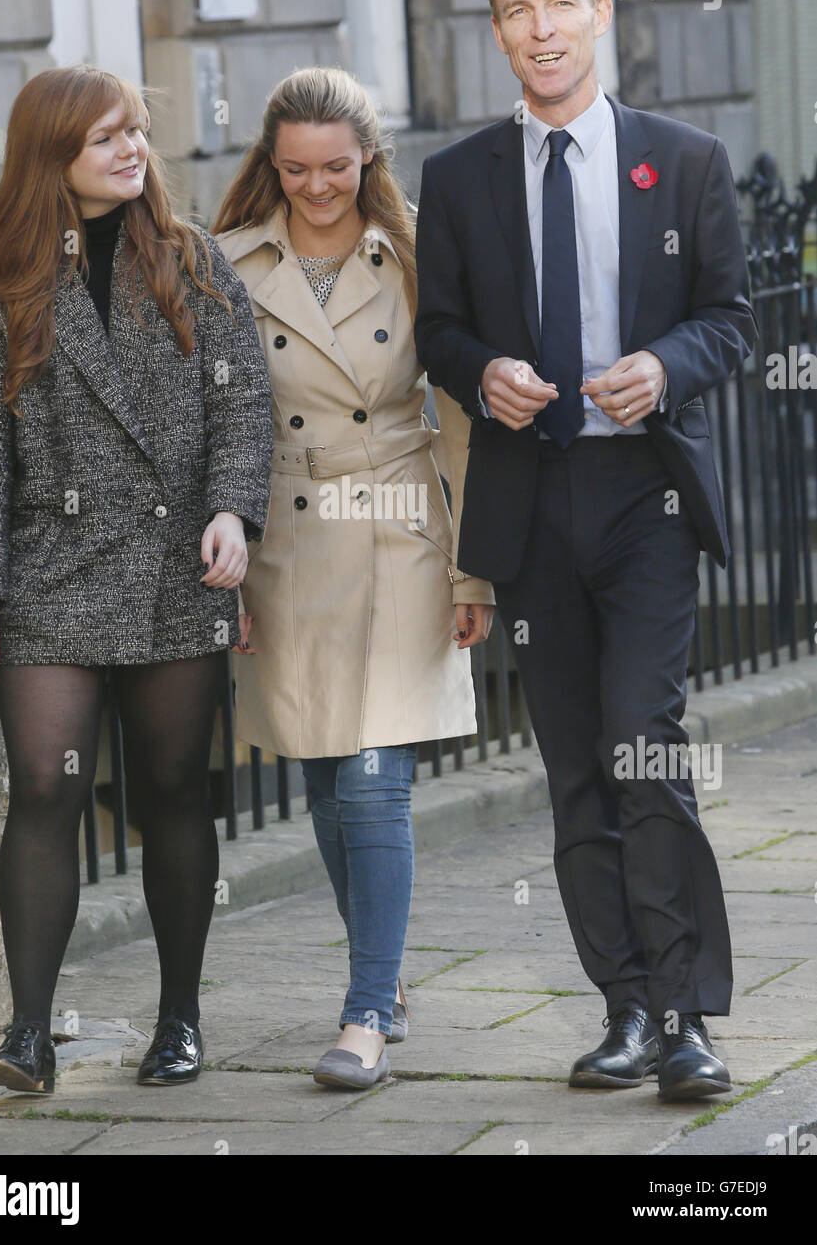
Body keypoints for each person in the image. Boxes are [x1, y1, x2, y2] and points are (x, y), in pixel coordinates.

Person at [414, 0, 756, 1103]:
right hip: (530, 498)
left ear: (601, 13)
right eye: (517, 11)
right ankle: (622, 1009)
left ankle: (688, 1016)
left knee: (643, 744)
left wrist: (662, 365)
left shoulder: (687, 159)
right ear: (498, 30)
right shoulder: (456, 178)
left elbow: (731, 318)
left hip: (646, 497)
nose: (542, 29)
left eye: (562, 4)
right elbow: (438, 333)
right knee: (574, 768)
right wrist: (481, 373)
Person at [0, 66, 273, 1094]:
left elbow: (245, 408)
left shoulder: (194, 259)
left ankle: (179, 1018)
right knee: (46, 786)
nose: (132, 150)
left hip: (179, 569)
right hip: (52, 576)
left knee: (173, 790)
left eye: (135, 131)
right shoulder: (3, 291)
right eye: (104, 140)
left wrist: (232, 512)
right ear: (54, 159)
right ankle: (29, 1035)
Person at [213, 66, 494, 1090]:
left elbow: (458, 420)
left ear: (367, 155)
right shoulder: (227, 262)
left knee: (375, 779)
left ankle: (367, 1009)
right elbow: (218, 426)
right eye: (295, 168)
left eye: (336, 165)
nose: (318, 184)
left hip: (396, 528)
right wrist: (230, 566)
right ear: (270, 163)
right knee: (326, 777)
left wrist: (474, 572)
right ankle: (387, 976)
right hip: (286, 538)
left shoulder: (420, 253)